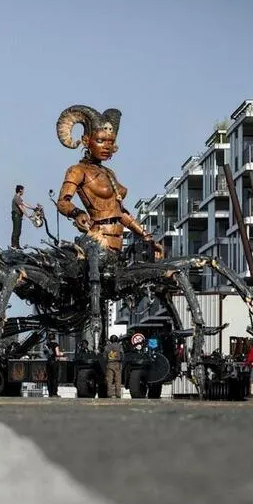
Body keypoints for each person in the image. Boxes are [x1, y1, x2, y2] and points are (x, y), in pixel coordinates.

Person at [54, 105, 164, 350]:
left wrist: (146, 237)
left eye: (111, 142)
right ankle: (91, 344)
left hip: (117, 245)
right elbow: (63, 201)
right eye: (101, 140)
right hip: (97, 240)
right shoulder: (77, 170)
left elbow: (121, 213)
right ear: (86, 140)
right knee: (95, 289)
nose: (107, 146)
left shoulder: (110, 174)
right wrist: (77, 212)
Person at [10, 185, 36, 249]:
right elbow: (21, 207)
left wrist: (33, 208)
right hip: (16, 215)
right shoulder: (16, 198)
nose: (23, 192)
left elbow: (24, 204)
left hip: (18, 216)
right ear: (20, 190)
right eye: (23, 190)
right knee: (16, 230)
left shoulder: (19, 198)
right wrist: (27, 215)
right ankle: (13, 245)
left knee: (18, 231)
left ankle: (17, 245)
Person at [104, 334, 124, 398]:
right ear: (117, 339)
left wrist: (107, 361)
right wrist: (121, 361)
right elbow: (122, 354)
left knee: (109, 380)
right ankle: (118, 394)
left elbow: (104, 356)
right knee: (118, 380)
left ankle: (109, 394)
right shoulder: (119, 346)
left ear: (110, 340)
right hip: (117, 364)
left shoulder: (107, 347)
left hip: (110, 364)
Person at [44, 332, 63, 397]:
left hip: (48, 362)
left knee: (49, 378)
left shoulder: (46, 345)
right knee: (55, 378)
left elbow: (46, 355)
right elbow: (57, 354)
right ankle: (54, 393)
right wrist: (62, 354)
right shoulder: (55, 344)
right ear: (54, 337)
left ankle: (50, 393)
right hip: (54, 363)